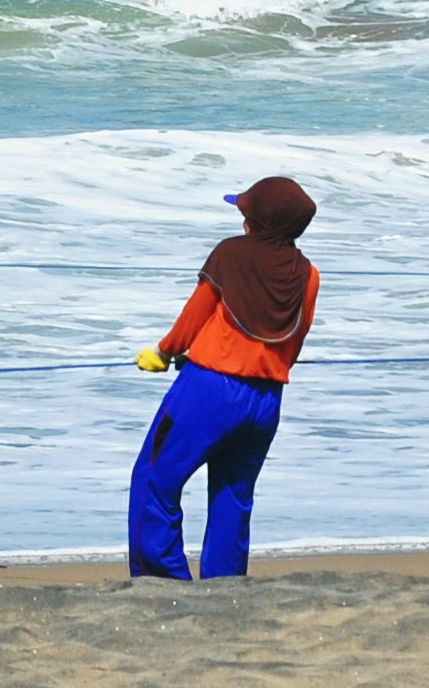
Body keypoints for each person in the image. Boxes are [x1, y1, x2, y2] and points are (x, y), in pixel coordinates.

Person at [126, 175, 319, 580]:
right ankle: (225, 587)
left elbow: (194, 316)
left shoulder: (230, 255)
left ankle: (162, 581)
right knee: (234, 495)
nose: (242, 221)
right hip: (266, 401)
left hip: (210, 390)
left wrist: (164, 352)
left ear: (259, 223)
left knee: (154, 479)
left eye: (246, 214)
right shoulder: (308, 274)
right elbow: (293, 342)